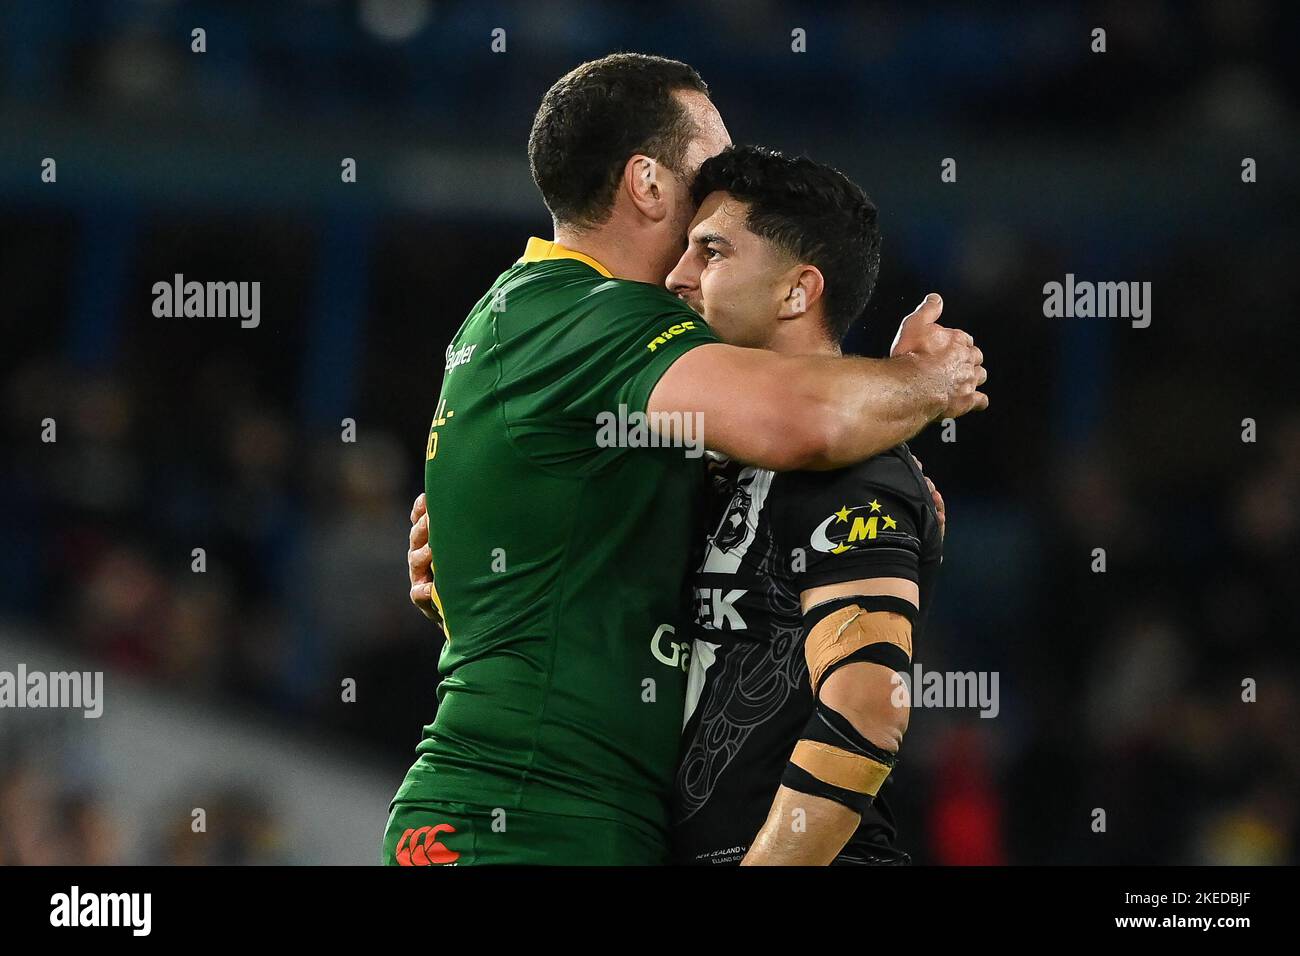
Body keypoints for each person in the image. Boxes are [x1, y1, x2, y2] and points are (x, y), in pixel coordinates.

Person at [389, 54, 986, 866]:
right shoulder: (596, 318)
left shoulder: (533, 318)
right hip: (526, 812)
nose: (721, 187)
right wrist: (926, 382)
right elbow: (802, 417)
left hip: (576, 814)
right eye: (706, 169)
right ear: (647, 183)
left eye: (718, 249)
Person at [667, 145, 942, 865]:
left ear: (797, 291)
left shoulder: (855, 471)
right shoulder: (716, 459)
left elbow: (869, 701)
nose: (677, 276)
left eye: (712, 252)